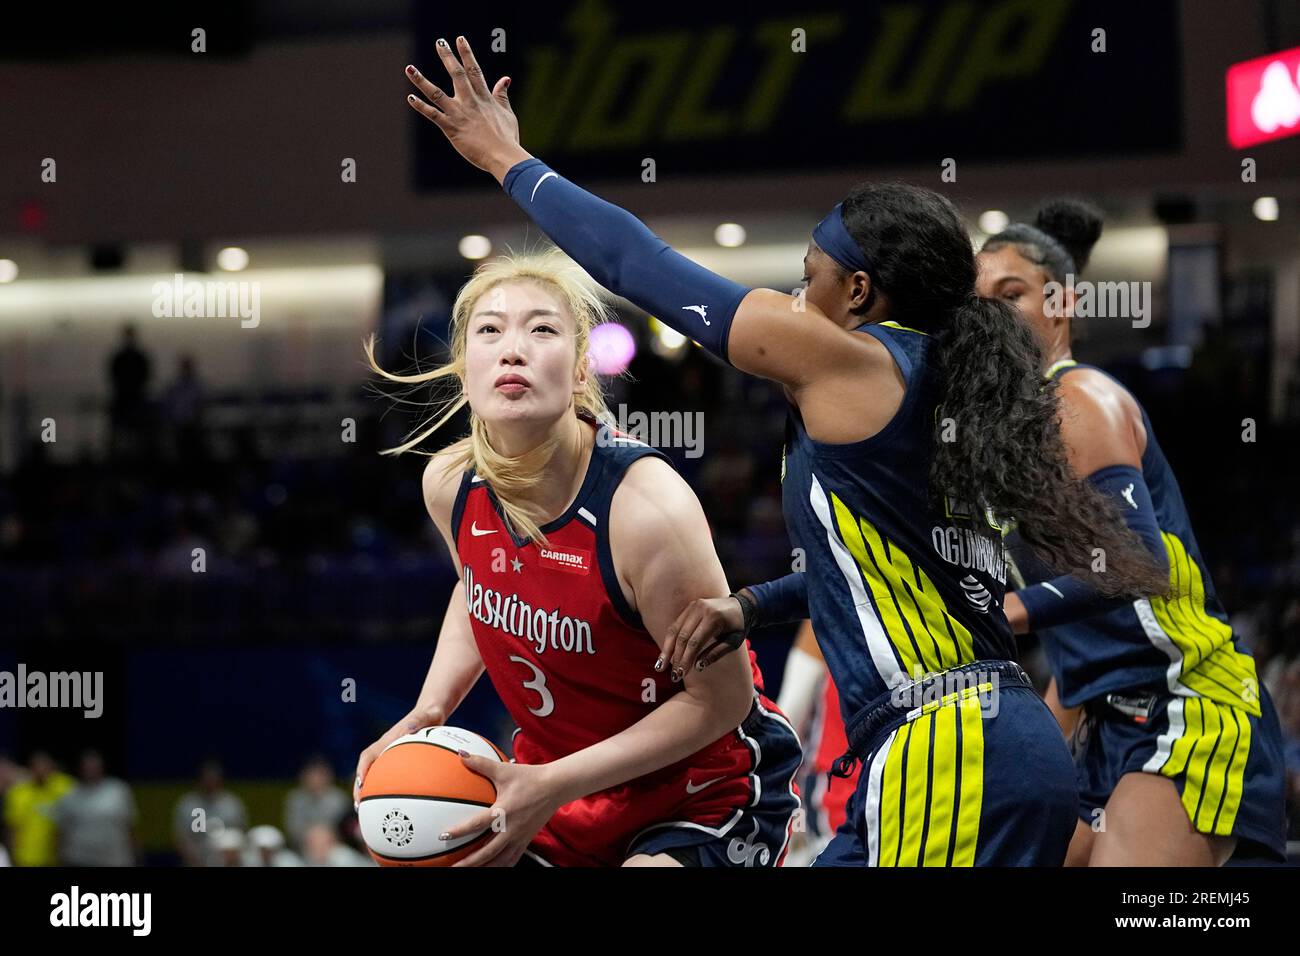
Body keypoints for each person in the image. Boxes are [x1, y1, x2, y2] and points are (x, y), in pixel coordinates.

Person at [401, 36, 1170, 865]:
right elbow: (873, 563)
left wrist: (508, 160)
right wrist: (751, 606)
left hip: (946, 747)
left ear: (860, 292)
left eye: (809, 277)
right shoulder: (947, 388)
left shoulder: (850, 360)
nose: (795, 297)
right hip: (983, 740)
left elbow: (637, 262)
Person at [355, 250, 801, 867]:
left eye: (541, 329)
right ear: (464, 369)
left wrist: (554, 784)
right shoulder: (448, 484)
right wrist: (429, 709)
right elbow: (477, 586)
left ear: (582, 369)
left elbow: (721, 701)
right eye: (490, 330)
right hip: (558, 783)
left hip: (698, 786)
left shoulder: (645, 509)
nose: (513, 349)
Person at [976, 199, 1288, 866]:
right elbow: (1086, 640)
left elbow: (1135, 562)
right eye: (979, 302)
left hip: (1185, 701)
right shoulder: (1015, 434)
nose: (991, 314)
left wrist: (1009, 611)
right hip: (1111, 719)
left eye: (1011, 294)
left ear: (1061, 305)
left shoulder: (1081, 399)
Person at [54, 750, 138, 866]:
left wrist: (137, 854)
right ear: (81, 768)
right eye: (87, 765)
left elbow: (130, 826)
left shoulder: (117, 790)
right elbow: (62, 831)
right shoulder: (70, 794)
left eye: (95, 765)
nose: (91, 769)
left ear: (102, 767)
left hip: (114, 860)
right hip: (79, 859)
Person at [2, 750, 74, 866]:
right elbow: (11, 828)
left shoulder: (65, 787)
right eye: (37, 766)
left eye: (45, 766)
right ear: (30, 768)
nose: (41, 770)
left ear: (52, 767)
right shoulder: (18, 793)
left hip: (57, 856)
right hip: (26, 857)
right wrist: (12, 854)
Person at [172, 759, 248, 866]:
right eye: (207, 778)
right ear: (200, 779)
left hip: (228, 861)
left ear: (220, 780)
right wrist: (193, 860)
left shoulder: (232, 804)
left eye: (213, 778)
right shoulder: (187, 804)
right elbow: (181, 837)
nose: (210, 781)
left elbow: (241, 834)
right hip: (195, 861)